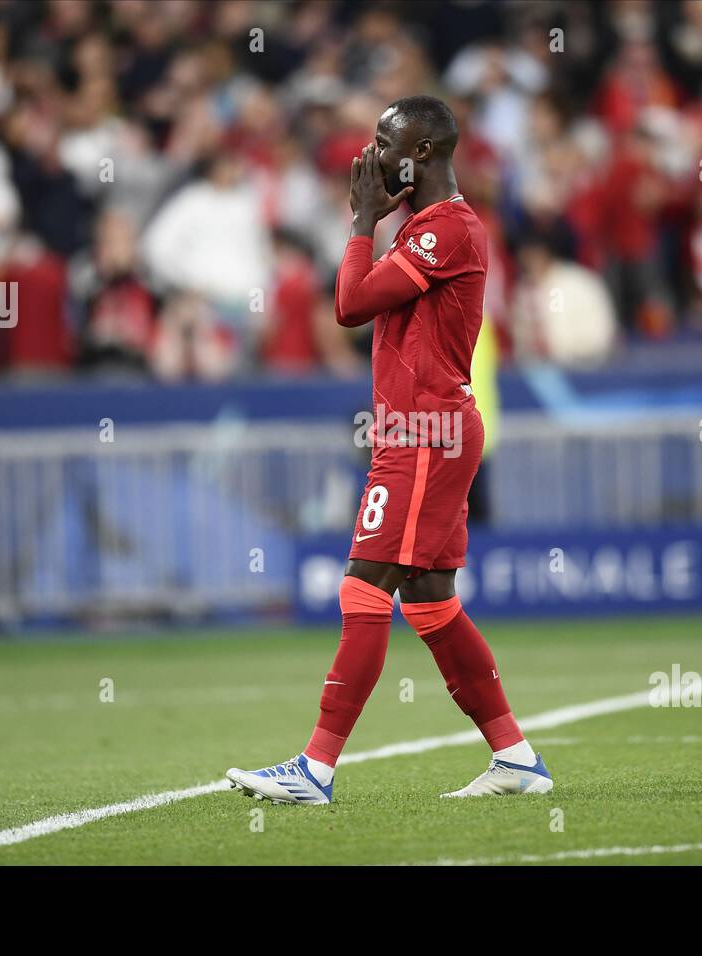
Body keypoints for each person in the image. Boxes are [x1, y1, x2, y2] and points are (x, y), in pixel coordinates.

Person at [226, 96, 551, 803]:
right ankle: (516, 757)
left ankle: (314, 768)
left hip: (426, 433)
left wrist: (360, 224)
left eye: (384, 141)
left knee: (362, 585)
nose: (371, 155)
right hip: (419, 429)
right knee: (431, 603)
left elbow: (349, 304)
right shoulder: (425, 229)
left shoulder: (449, 231)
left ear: (424, 152)